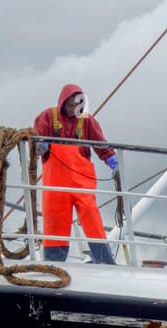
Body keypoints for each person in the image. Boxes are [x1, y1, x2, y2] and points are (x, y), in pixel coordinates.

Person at [33, 84, 118, 264]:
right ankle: (53, 265)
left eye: (75, 105)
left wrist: (112, 159)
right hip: (55, 185)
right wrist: (39, 145)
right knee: (55, 223)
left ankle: (104, 261)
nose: (72, 109)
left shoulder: (87, 121)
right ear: (63, 102)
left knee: (91, 217)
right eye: (69, 105)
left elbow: (100, 144)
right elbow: (35, 139)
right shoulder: (47, 116)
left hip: (82, 183)